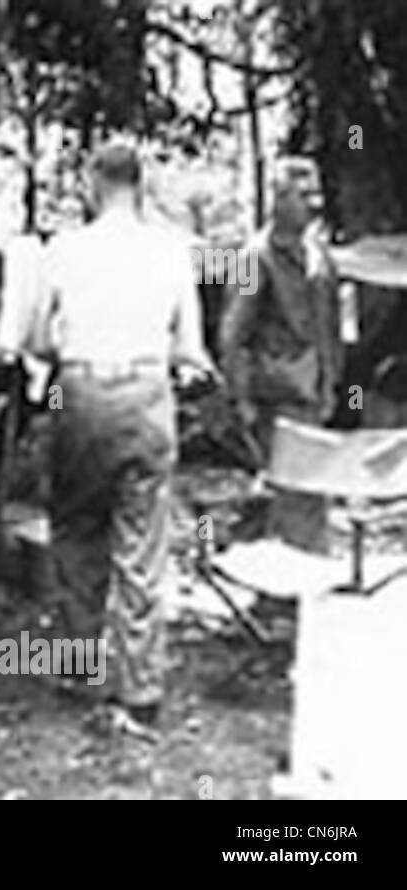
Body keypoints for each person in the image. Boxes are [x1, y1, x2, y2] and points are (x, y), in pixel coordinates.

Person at [27, 140, 216, 736]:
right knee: (142, 544)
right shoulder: (170, 251)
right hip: (145, 391)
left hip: (82, 390)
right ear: (143, 184)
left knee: (77, 530)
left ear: (91, 182)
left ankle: (80, 668)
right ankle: (141, 689)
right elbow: (189, 347)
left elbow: (36, 338)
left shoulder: (64, 248)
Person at [218, 156, 341, 553]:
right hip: (275, 399)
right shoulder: (254, 258)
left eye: (316, 193)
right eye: (304, 195)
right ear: (278, 198)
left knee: (306, 498)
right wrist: (240, 401)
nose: (315, 203)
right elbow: (232, 335)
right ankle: (282, 599)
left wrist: (332, 384)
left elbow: (332, 327)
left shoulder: (319, 256)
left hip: (311, 396)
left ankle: (293, 587)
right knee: (292, 502)